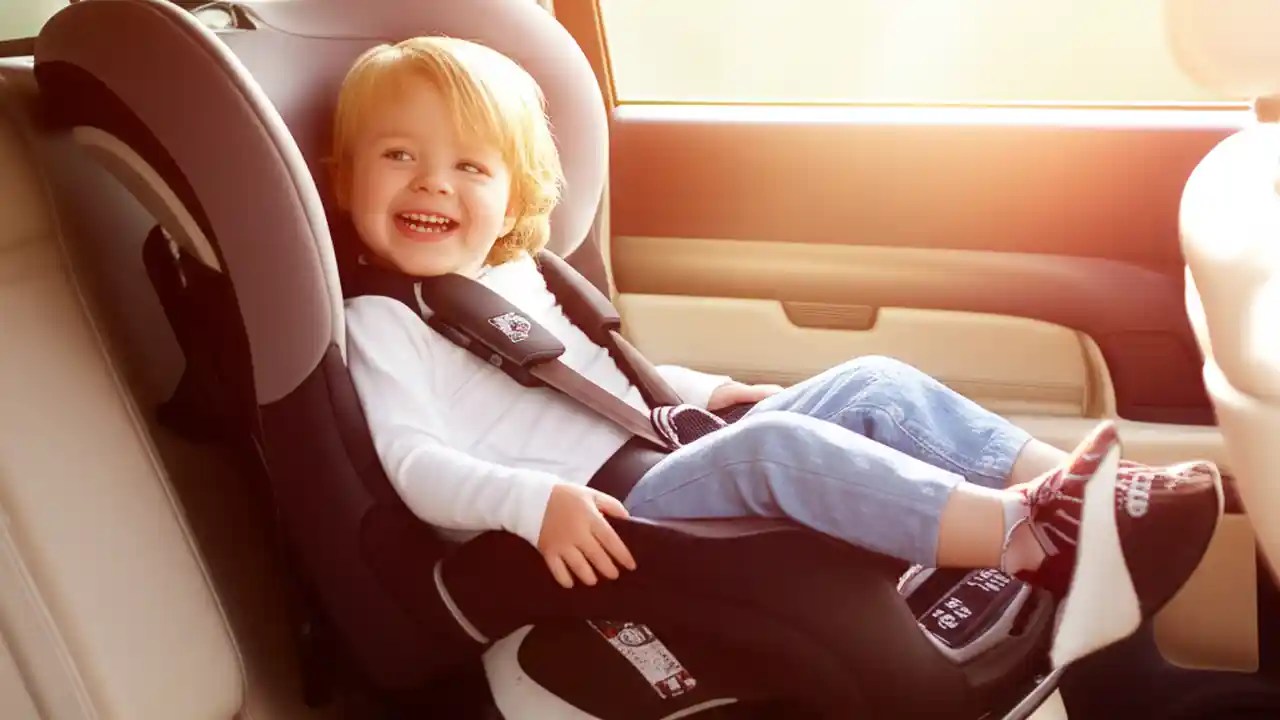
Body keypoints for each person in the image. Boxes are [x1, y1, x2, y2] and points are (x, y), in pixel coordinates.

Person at [331, 36, 1222, 665]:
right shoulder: (381, 321)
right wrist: (531, 504)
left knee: (870, 383)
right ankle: (1027, 536)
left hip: (664, 448)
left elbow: (603, 379)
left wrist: (713, 390)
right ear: (345, 181)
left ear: (517, 191)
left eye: (469, 167)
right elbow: (412, 461)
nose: (432, 183)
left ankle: (1079, 493)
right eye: (399, 156)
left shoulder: (526, 275)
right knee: (778, 451)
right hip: (608, 509)